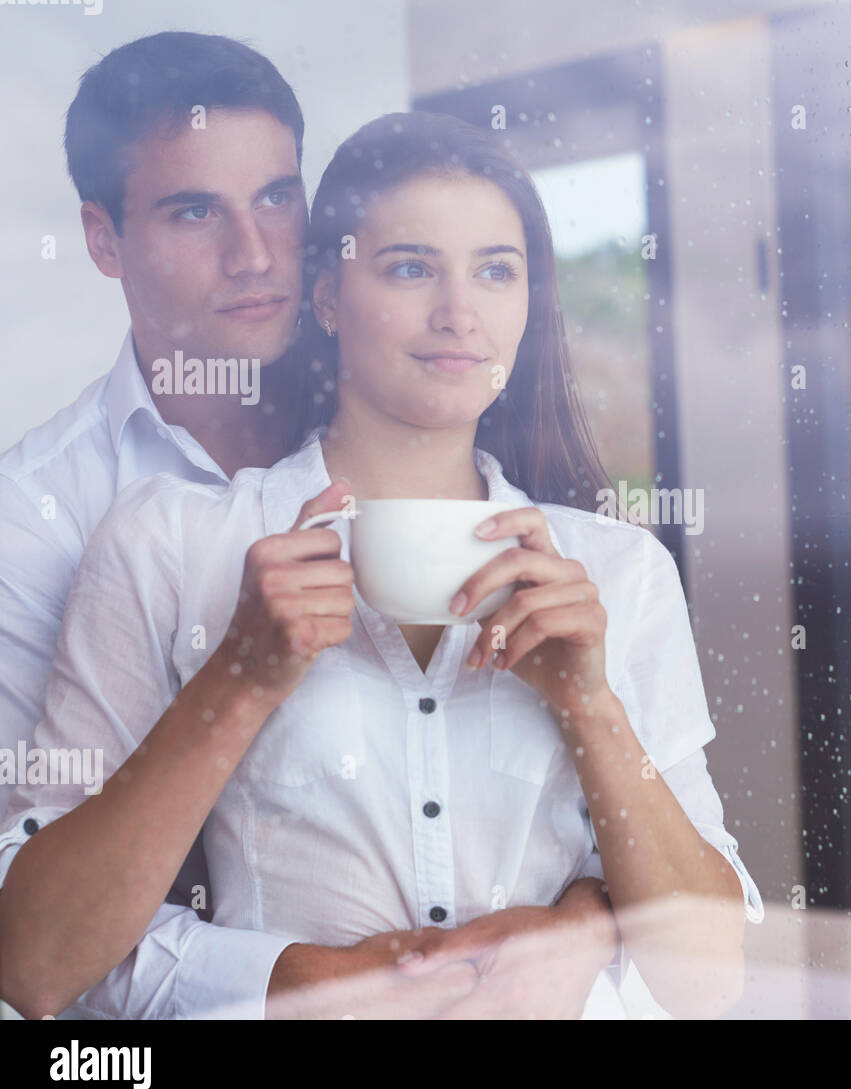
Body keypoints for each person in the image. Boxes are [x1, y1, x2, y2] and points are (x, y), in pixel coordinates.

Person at [0, 109, 765, 1021]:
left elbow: (715, 984)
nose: (459, 314)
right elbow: (36, 963)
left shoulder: (618, 570)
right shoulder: (169, 542)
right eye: (410, 268)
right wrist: (238, 683)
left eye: (495, 271)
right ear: (326, 297)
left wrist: (590, 706)